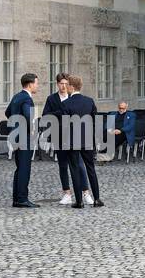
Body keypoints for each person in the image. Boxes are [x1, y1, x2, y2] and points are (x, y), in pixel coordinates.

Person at [60, 73, 102, 208]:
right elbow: (94, 122)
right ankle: (97, 199)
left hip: (72, 141)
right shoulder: (89, 101)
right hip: (88, 139)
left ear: (71, 87)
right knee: (91, 169)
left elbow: (65, 125)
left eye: (68, 85)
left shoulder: (66, 103)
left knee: (74, 169)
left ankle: (79, 201)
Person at [5, 73, 39, 207]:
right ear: (30, 84)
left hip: (16, 137)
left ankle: (17, 198)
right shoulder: (27, 99)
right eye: (36, 83)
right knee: (24, 168)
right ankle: (22, 199)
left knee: (19, 169)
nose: (37, 86)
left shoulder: (16, 97)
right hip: (24, 138)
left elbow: (8, 113)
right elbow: (28, 116)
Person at [42, 73, 74, 204]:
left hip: (73, 135)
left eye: (66, 83)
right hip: (58, 135)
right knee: (62, 165)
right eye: (62, 83)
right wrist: (60, 113)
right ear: (57, 84)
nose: (64, 86)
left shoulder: (73, 97)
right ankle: (66, 193)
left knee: (77, 164)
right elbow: (45, 115)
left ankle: (84, 191)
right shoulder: (51, 99)